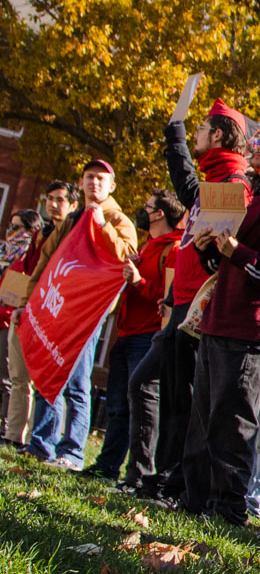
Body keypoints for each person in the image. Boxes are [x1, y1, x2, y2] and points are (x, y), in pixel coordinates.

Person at [179, 125, 260, 525]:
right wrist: (209, 252)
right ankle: (194, 499)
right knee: (203, 417)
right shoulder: (245, 201)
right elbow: (224, 263)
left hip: (252, 328)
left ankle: (229, 507)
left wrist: (237, 250)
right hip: (218, 318)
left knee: (234, 422)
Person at [151, 99, 253, 500]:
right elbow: (184, 180)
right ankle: (171, 479)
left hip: (201, 304)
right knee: (174, 393)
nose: (195, 136)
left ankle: (183, 483)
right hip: (184, 299)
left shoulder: (235, 183)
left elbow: (224, 250)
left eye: (198, 130)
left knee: (187, 399)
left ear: (217, 135)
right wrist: (174, 131)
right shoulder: (214, 178)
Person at [24, 160, 137, 470]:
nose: (94, 183)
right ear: (82, 181)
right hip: (57, 308)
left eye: (102, 178)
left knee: (77, 382)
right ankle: (42, 443)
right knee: (50, 371)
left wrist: (102, 226)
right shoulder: (72, 219)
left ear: (112, 185)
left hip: (88, 315)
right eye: (89, 177)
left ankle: (72, 451)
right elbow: (46, 262)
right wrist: (27, 300)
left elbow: (128, 258)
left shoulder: (118, 219)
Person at [82, 190, 184, 482]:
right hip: (126, 333)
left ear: (159, 214)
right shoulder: (148, 248)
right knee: (117, 405)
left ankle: (138, 474)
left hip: (148, 336)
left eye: (148, 206)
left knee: (141, 404)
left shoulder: (173, 249)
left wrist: (139, 282)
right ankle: (107, 465)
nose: (143, 210)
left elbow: (168, 299)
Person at [4, 183, 76, 447]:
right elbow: (31, 272)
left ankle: (42, 441)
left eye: (60, 200)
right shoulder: (40, 235)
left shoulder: (72, 235)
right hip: (25, 310)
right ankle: (14, 437)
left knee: (45, 382)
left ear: (71, 205)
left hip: (52, 314)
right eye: (50, 199)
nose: (53, 204)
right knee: (18, 378)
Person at [0, 209, 41, 429]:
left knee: (9, 379)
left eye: (16, 227)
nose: (10, 232)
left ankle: (8, 427)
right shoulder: (5, 254)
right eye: (10, 226)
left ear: (29, 230)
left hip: (9, 323)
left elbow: (14, 299)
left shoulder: (27, 258)